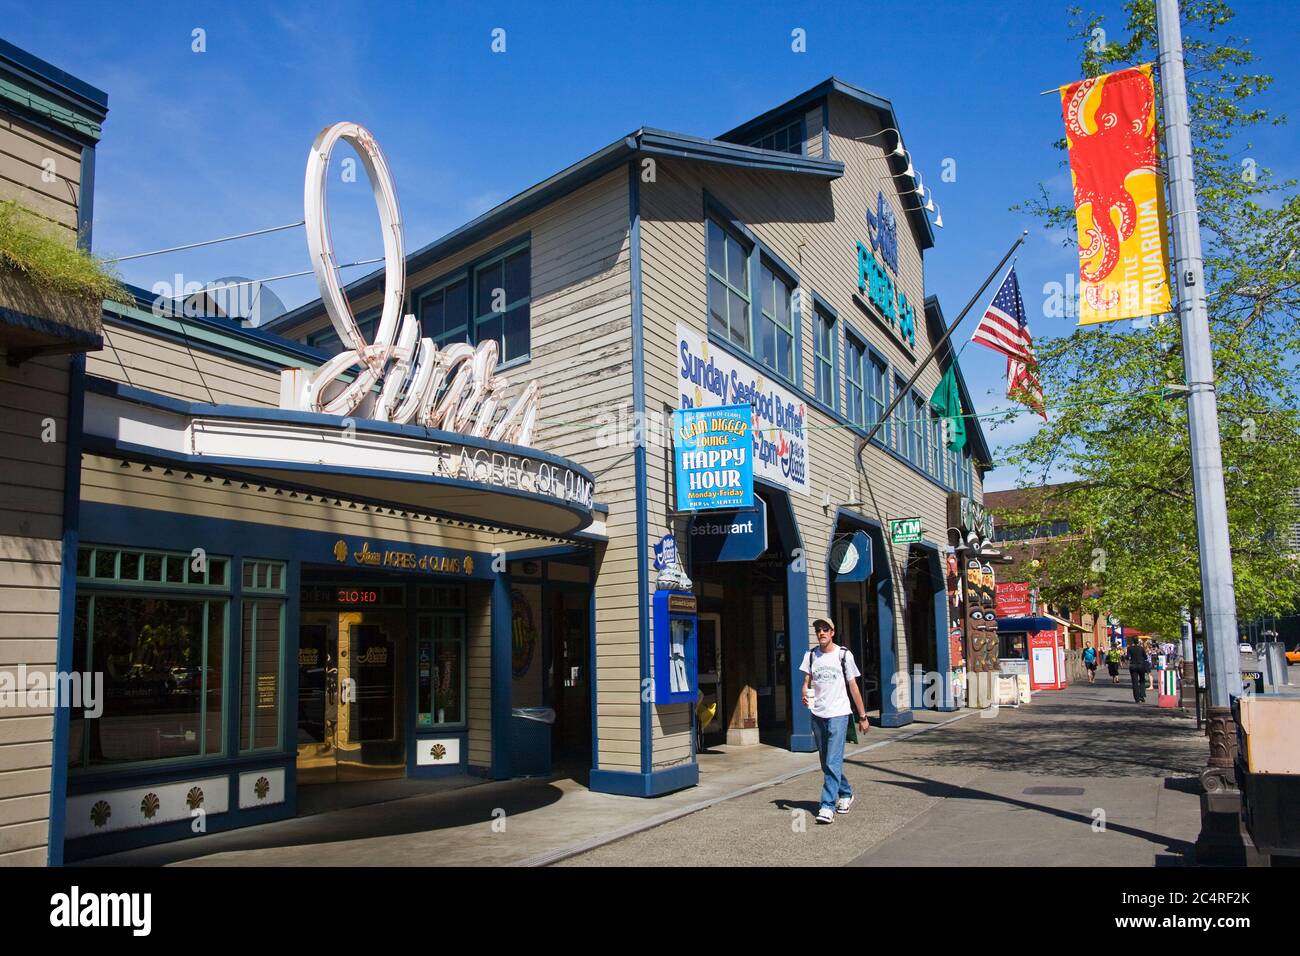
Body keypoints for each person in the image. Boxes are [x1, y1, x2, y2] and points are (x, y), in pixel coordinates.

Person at [800, 618, 870, 825]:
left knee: (832, 761)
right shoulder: (811, 656)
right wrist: (805, 695)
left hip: (839, 714)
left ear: (833, 632)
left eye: (825, 630)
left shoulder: (843, 655)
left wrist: (863, 716)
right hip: (818, 714)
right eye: (818, 630)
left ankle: (827, 806)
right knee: (826, 761)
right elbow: (806, 683)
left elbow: (853, 686)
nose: (821, 633)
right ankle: (846, 792)